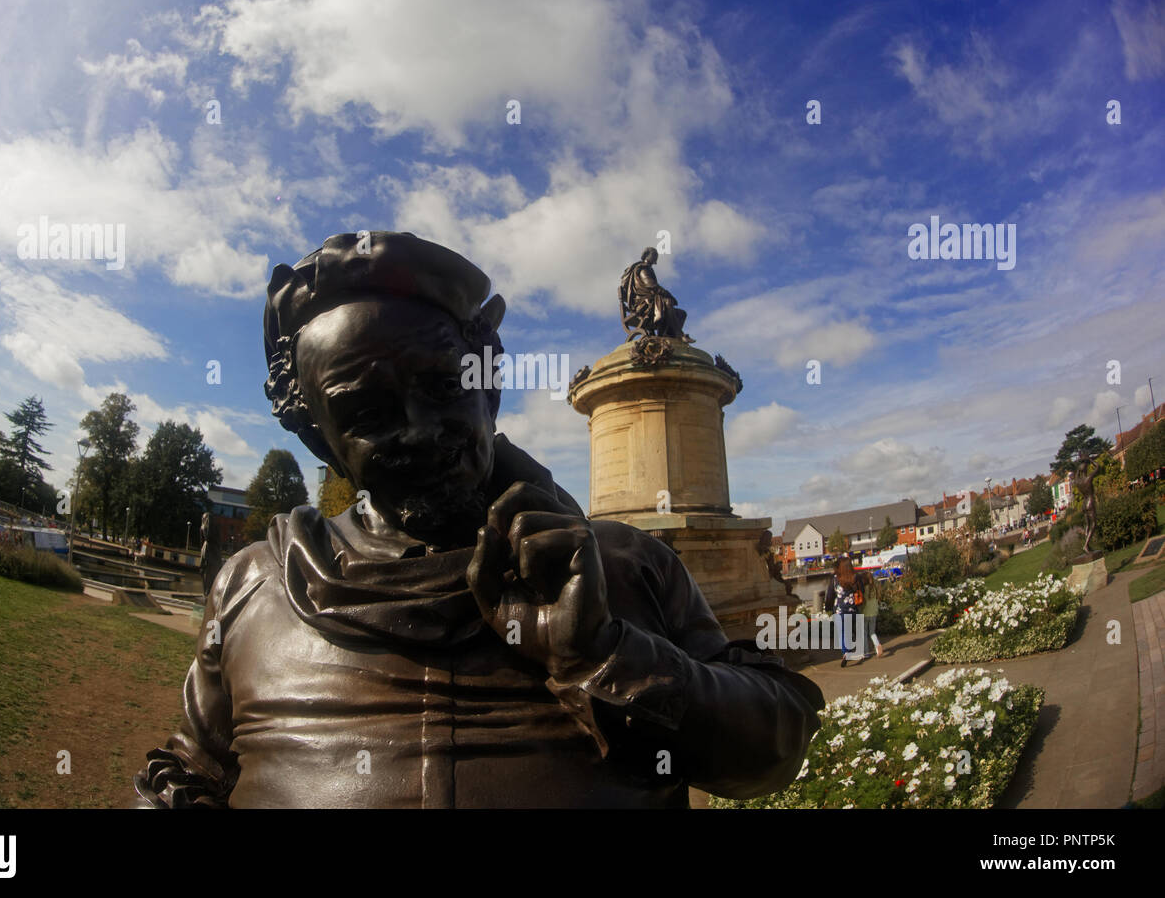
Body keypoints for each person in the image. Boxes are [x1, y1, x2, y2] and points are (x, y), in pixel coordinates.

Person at [134, 231, 824, 808]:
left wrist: (602, 656)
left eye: (443, 387)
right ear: (318, 436)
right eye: (367, 413)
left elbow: (773, 750)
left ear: (488, 381)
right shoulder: (256, 584)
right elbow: (192, 773)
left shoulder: (625, 566)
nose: (422, 431)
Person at [824, 556, 864, 668]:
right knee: (850, 629)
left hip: (839, 610)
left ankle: (845, 652)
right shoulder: (856, 577)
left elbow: (830, 595)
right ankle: (852, 645)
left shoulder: (835, 579)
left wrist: (827, 608)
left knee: (841, 632)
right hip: (853, 609)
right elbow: (862, 590)